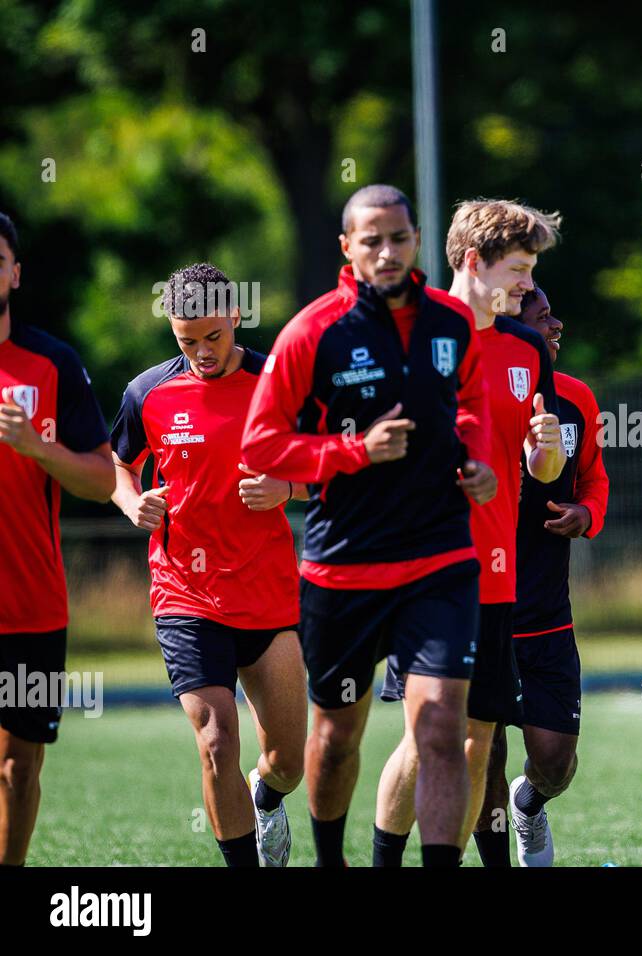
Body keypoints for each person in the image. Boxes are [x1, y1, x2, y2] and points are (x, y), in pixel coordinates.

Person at [242, 184, 496, 867]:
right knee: (336, 738)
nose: (387, 252)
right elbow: (261, 446)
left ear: (417, 240)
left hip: (440, 559)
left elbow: (469, 399)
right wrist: (353, 451)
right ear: (347, 248)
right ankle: (332, 861)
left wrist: (477, 459)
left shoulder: (451, 322)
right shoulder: (312, 331)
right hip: (343, 569)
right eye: (372, 240)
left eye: (400, 239)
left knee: (441, 724)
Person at [373, 199, 563, 866]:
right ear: (472, 262)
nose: (528, 286)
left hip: (498, 572)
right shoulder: (408, 337)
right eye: (518, 269)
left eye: (532, 271)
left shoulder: (526, 348)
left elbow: (539, 467)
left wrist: (547, 451)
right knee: (429, 737)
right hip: (424, 570)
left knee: (479, 737)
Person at [110, 262, 307, 867]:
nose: (200, 351)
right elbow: (119, 465)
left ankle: (267, 798)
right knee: (218, 739)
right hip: (185, 594)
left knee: (290, 764)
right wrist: (132, 501)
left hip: (268, 593)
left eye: (212, 337)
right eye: (185, 340)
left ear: (235, 317)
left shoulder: (279, 380)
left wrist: (287, 489)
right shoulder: (148, 392)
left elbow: (331, 465)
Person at [479, 285, 610, 866]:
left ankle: (530, 802)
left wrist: (587, 515)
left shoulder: (576, 399)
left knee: (555, 761)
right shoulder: (475, 393)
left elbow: (594, 480)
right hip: (482, 609)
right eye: (541, 317)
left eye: (553, 313)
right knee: (482, 757)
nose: (555, 325)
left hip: (547, 615)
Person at [0, 212, 114, 866]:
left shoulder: (52, 363)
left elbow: (102, 481)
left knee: (19, 766)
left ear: (15, 271)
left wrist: (36, 446)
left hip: (32, 607)